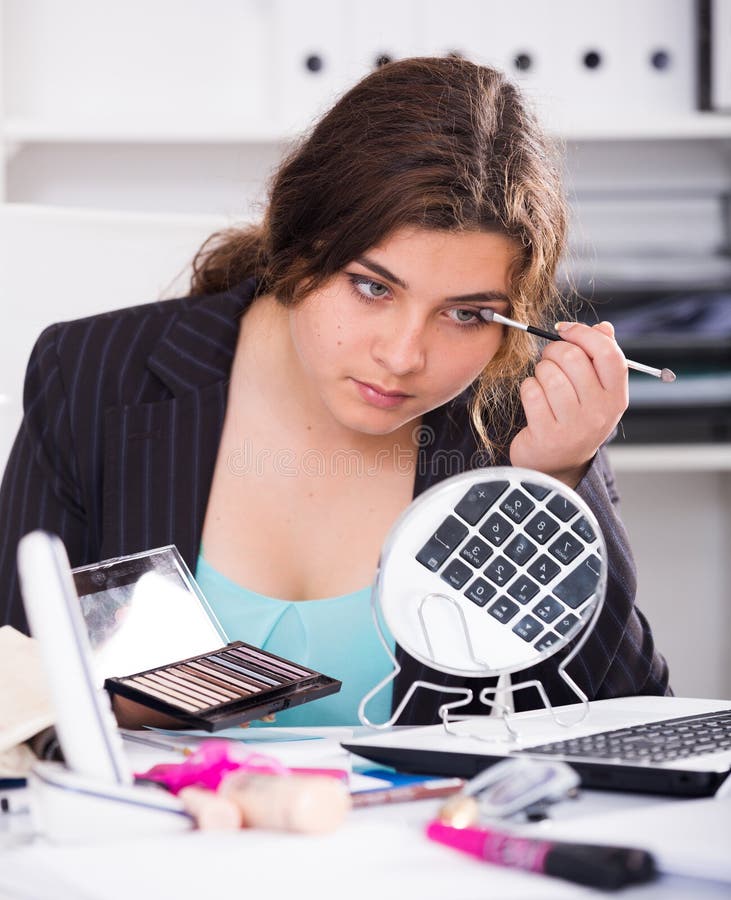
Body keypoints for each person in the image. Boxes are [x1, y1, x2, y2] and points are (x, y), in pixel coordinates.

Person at [0, 57, 670, 727]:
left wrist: (549, 485)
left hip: (420, 830)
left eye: (465, 313)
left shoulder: (521, 421)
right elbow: (15, 697)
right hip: (160, 826)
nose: (403, 356)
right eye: (372, 287)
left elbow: (631, 719)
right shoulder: (95, 372)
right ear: (299, 244)